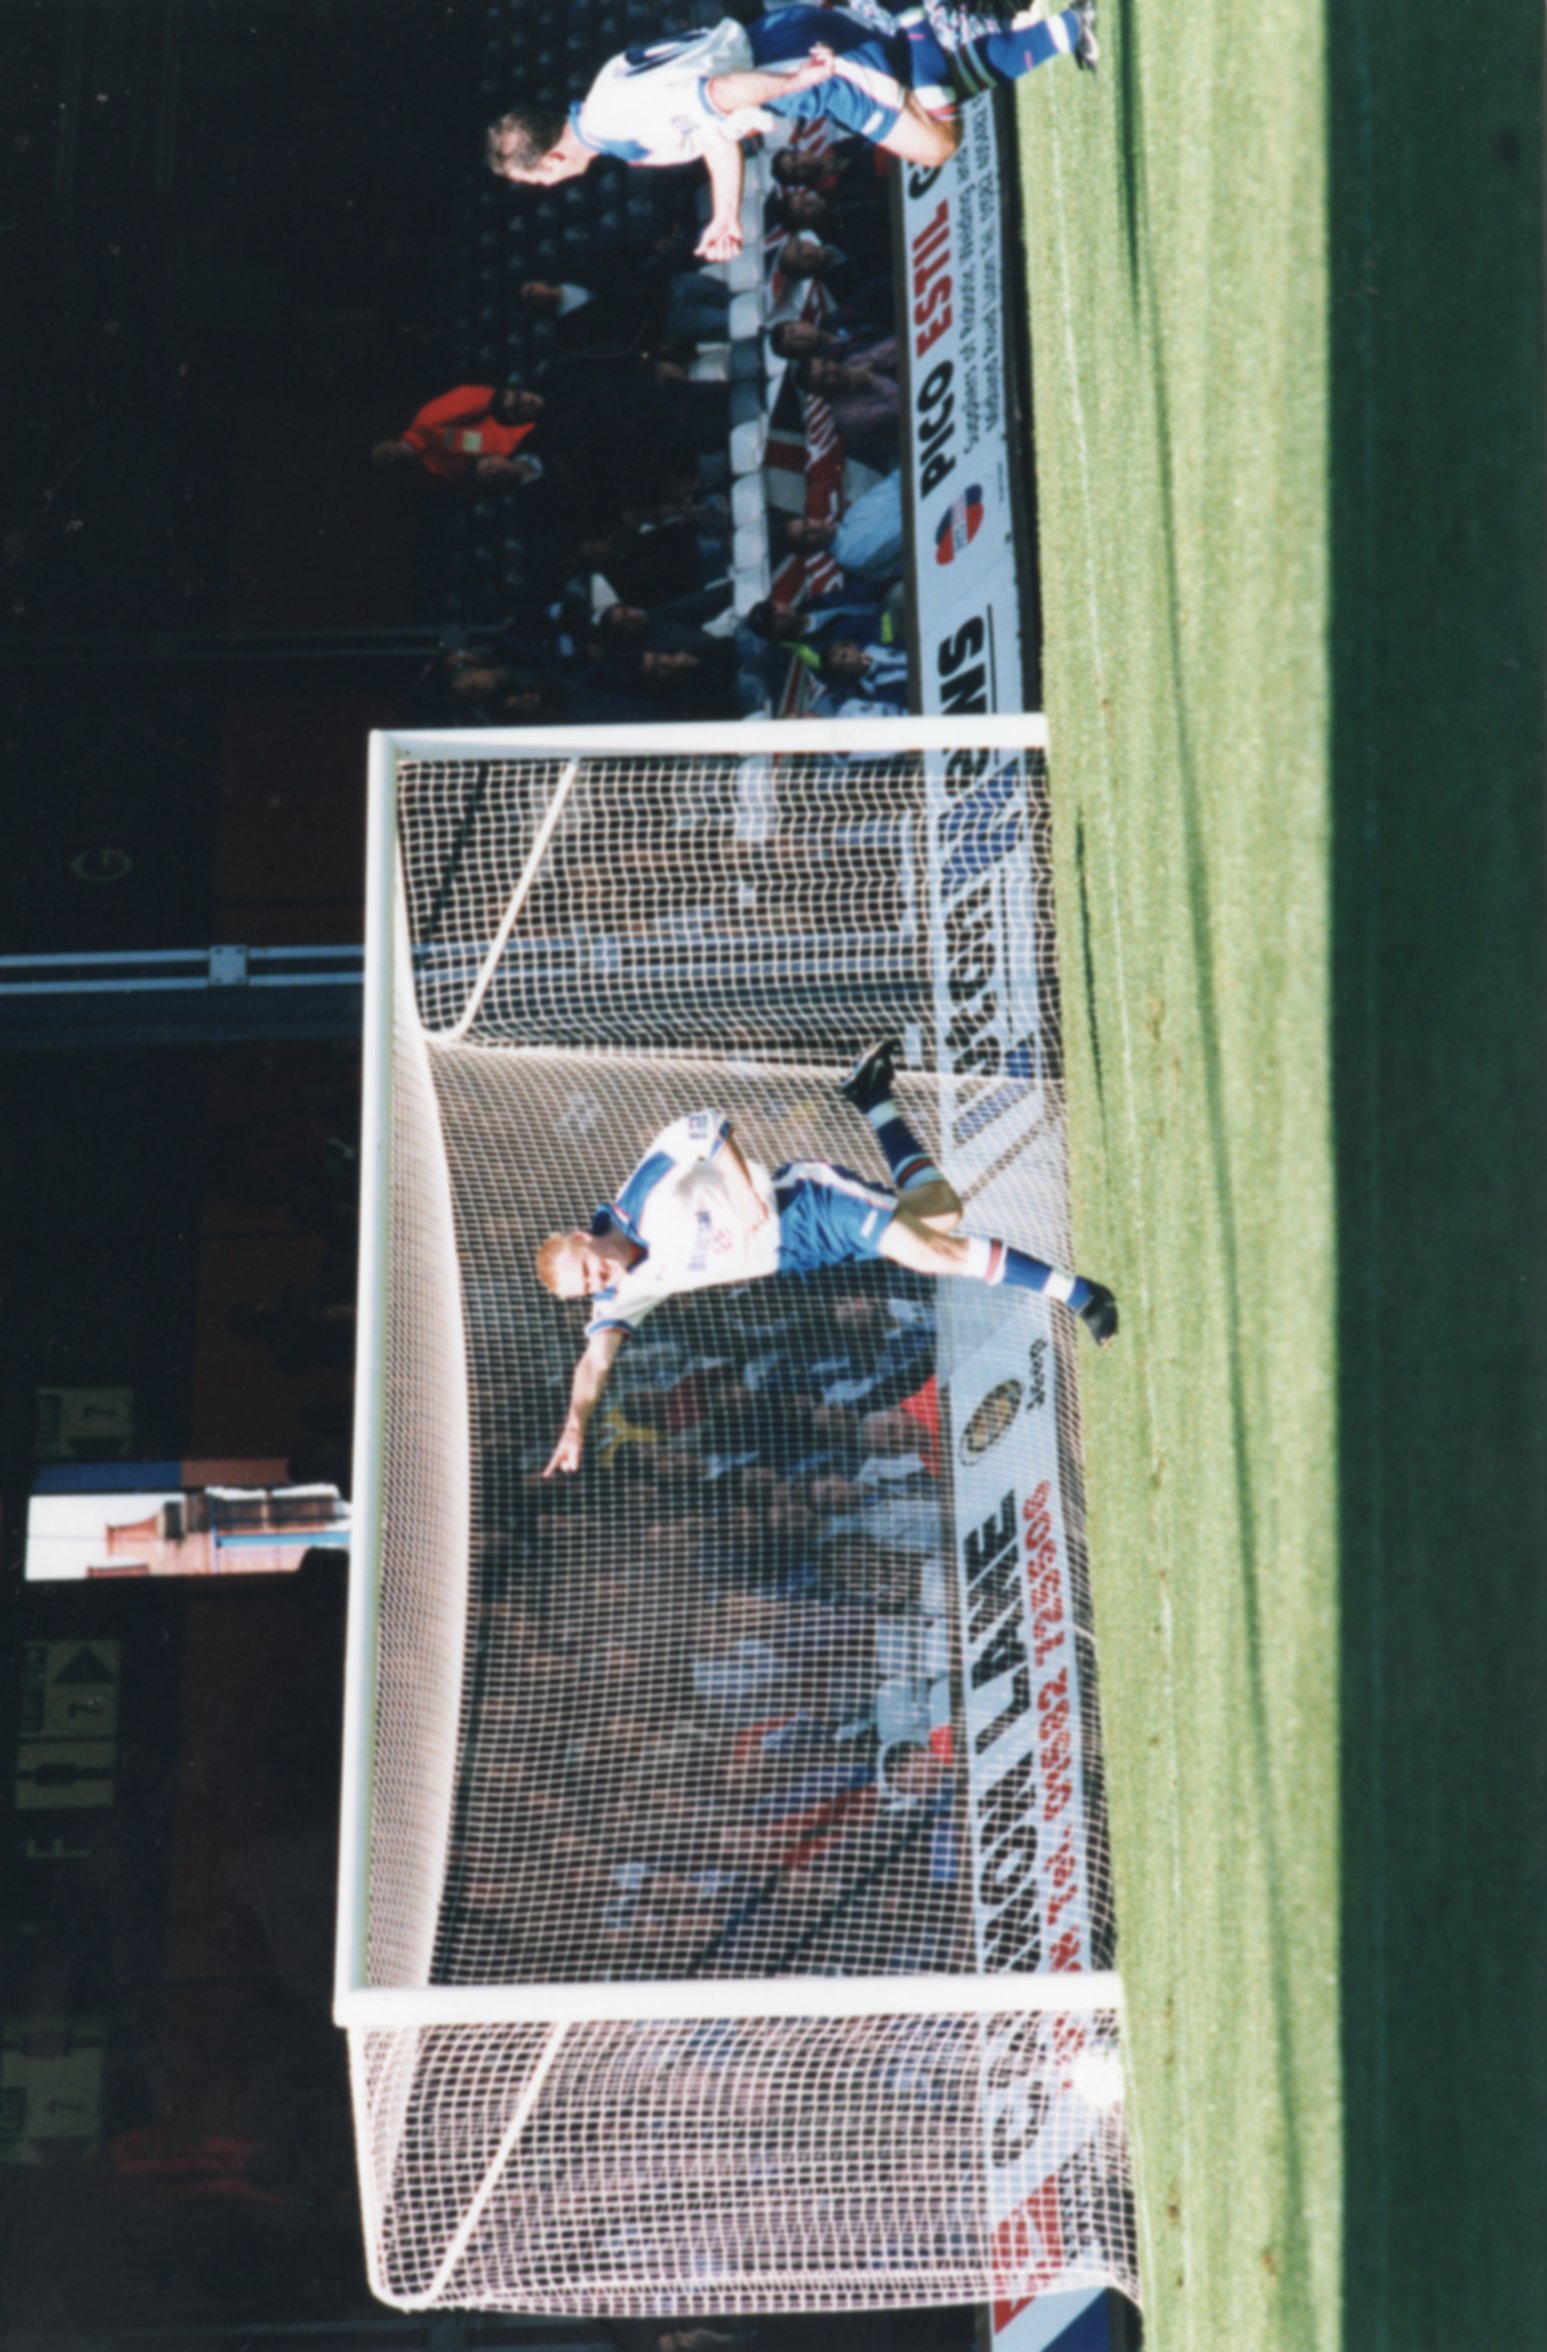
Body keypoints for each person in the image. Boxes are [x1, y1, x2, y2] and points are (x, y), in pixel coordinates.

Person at [537, 1040, 1116, 1475]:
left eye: (586, 1270)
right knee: (941, 1212)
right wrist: (575, 1424)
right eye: (584, 1289)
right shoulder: (621, 1291)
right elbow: (594, 1362)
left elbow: (704, 1126)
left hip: (806, 1202)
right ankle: (873, 1095)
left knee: (930, 1253)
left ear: (583, 1238)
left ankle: (1081, 1295)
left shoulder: (641, 1194)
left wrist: (741, 1189)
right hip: (796, 1254)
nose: (595, 1282)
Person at [486, 2, 1098, 261]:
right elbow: (714, 129)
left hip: (792, 66)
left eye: (533, 180)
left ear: (548, 161)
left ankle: (911, 14)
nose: (544, 188)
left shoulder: (618, 127)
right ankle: (1072, 28)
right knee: (936, 91)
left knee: (935, 143)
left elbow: (718, 95)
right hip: (779, 38)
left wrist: (798, 80)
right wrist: (725, 216)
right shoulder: (603, 97)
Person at [372, 384, 544, 486]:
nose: (391, 459)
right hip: (519, 459)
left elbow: (473, 398)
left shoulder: (426, 421)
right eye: (386, 463)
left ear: (388, 442)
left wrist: (516, 409)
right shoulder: (433, 467)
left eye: (385, 454)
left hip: (525, 428)